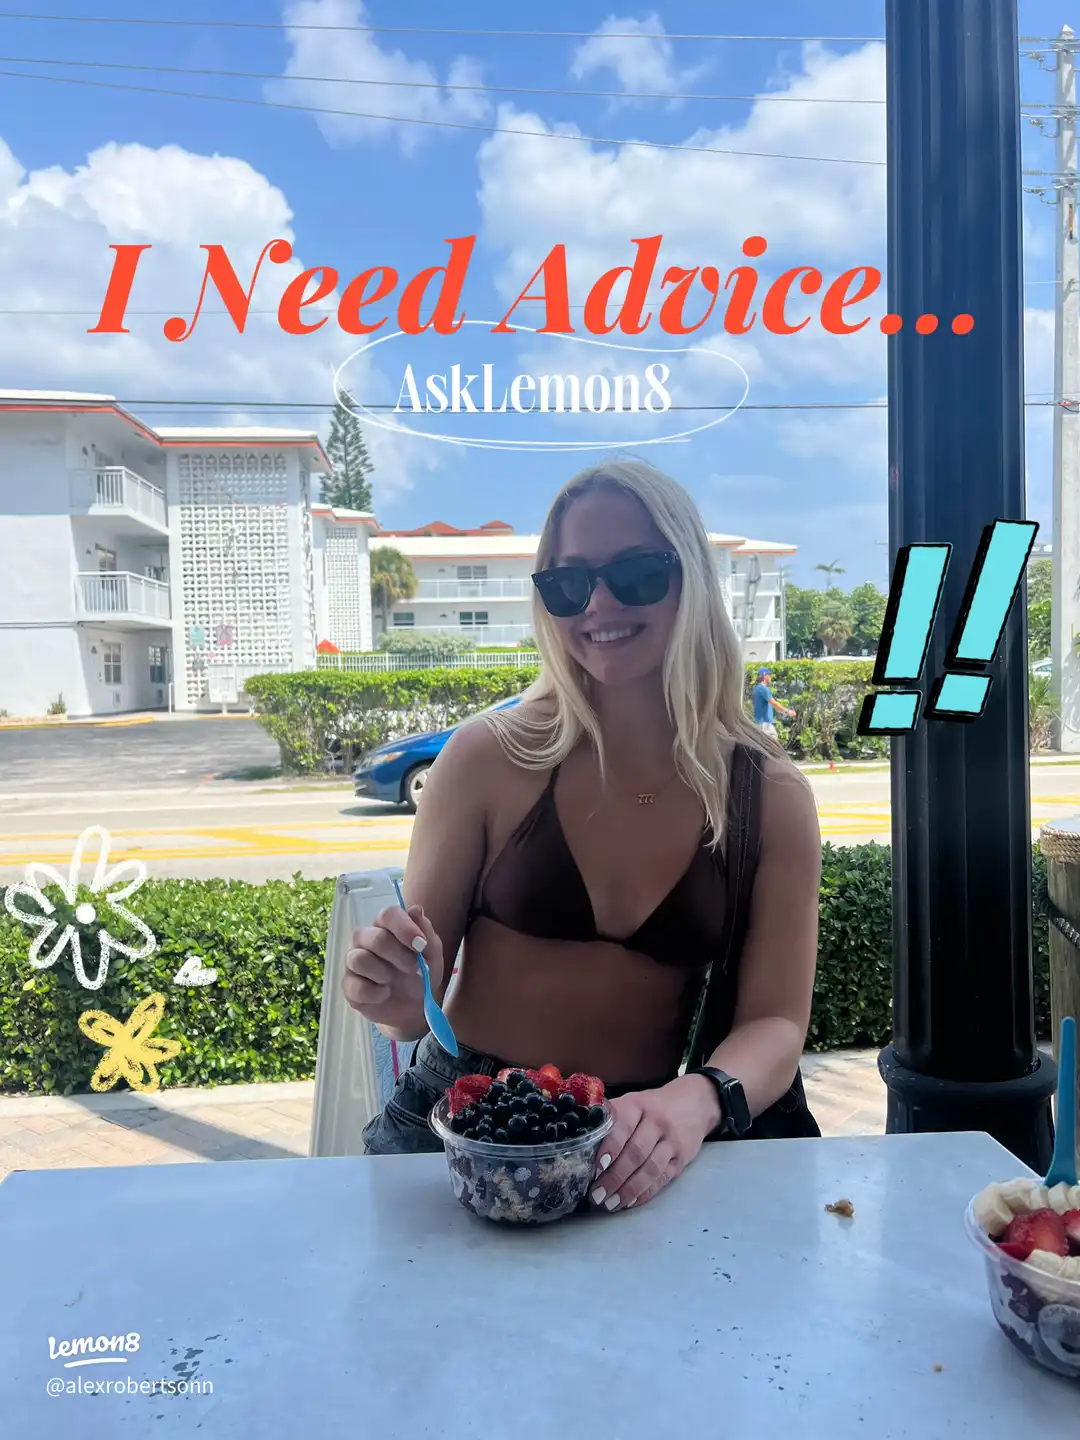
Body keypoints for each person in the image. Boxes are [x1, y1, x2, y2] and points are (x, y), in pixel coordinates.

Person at [344, 459, 822, 1212]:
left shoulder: (770, 797)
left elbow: (775, 1020)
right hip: (466, 1121)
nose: (597, 603)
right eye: (567, 584)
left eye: (634, 573)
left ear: (690, 576)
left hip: (634, 1138)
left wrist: (695, 1102)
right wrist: (396, 988)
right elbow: (415, 1005)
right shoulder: (486, 757)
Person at [751, 667, 795, 740]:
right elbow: (774, 703)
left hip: (759, 723)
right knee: (773, 743)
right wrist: (787, 711)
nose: (770, 677)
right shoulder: (763, 688)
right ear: (765, 675)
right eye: (769, 675)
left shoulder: (756, 688)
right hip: (765, 724)